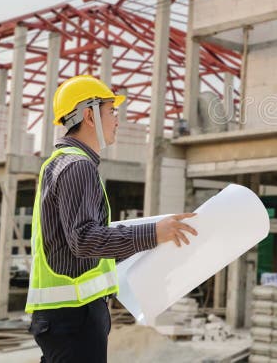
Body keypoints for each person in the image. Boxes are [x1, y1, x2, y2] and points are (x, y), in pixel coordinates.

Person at [25, 75, 198, 362]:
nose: (118, 120)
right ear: (89, 115)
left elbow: (75, 244)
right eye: (112, 111)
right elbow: (84, 240)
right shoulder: (77, 167)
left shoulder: (60, 163)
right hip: (74, 317)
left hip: (67, 317)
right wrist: (153, 233)